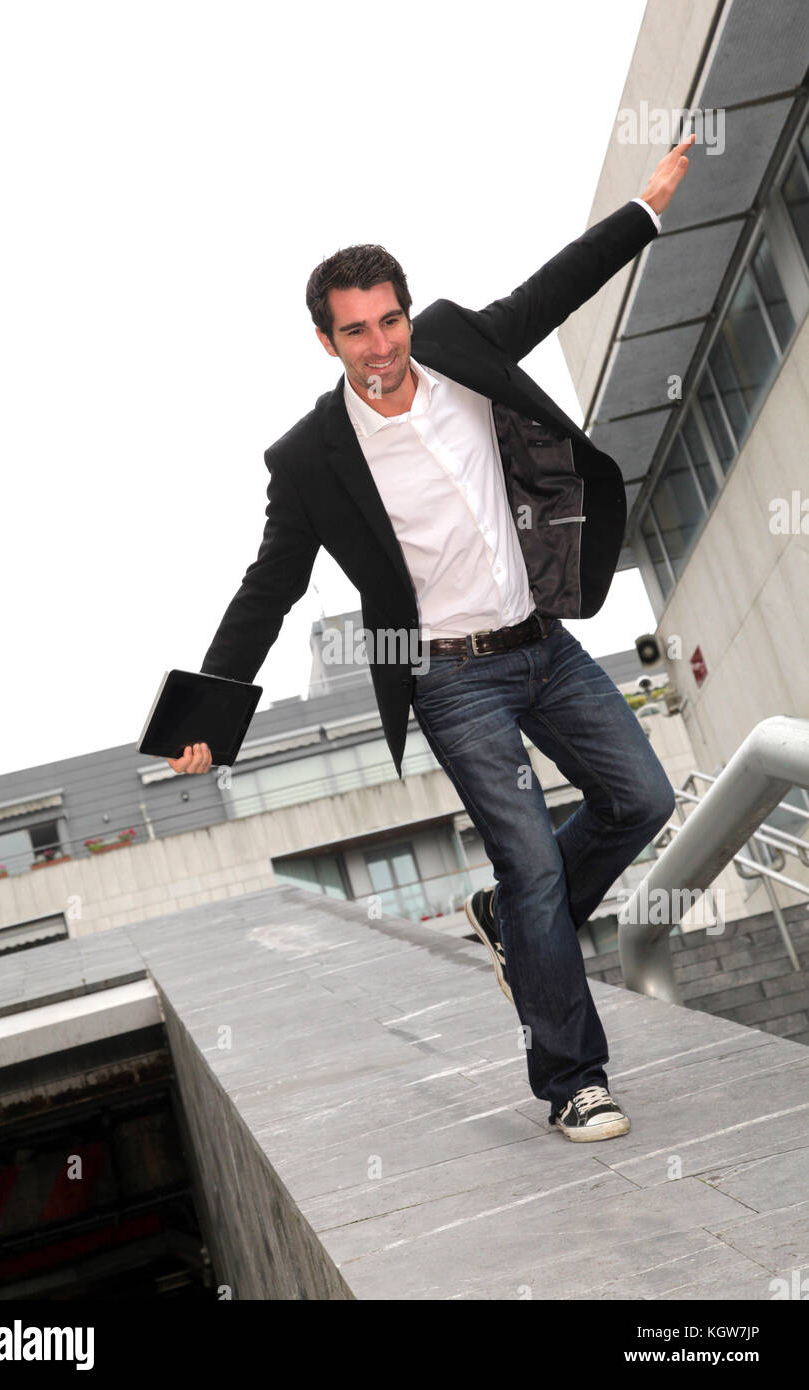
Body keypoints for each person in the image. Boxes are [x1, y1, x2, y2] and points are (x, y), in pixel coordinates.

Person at [168, 135, 695, 1142]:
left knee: (641, 796)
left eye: (389, 320)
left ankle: (509, 926)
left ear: (409, 313)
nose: (380, 346)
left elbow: (551, 291)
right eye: (355, 331)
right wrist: (208, 707)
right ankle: (570, 1077)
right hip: (449, 678)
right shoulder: (311, 457)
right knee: (533, 859)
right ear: (325, 341)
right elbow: (269, 585)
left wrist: (645, 208)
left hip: (540, 642)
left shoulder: (457, 347)